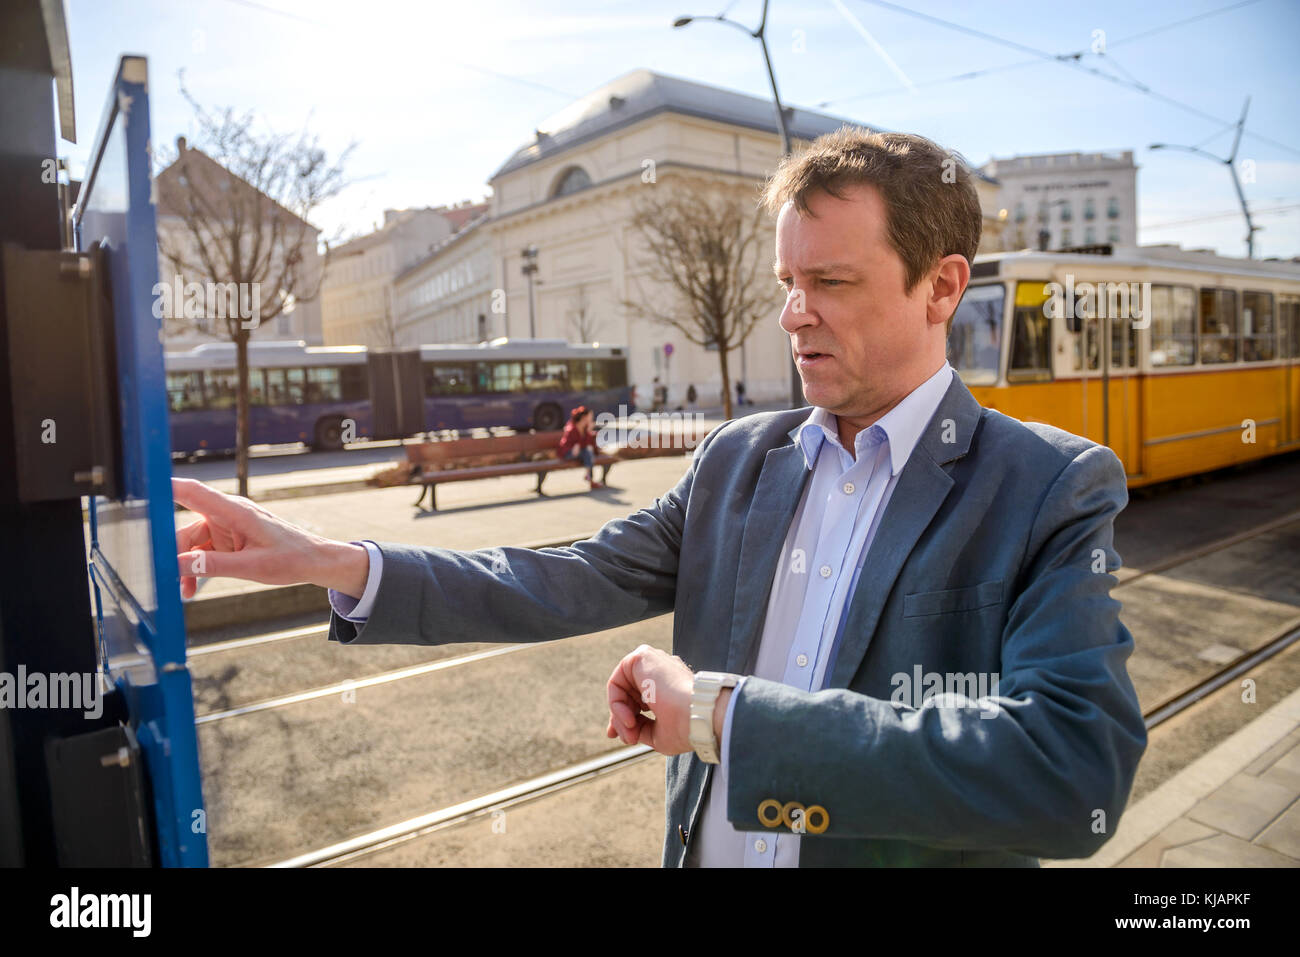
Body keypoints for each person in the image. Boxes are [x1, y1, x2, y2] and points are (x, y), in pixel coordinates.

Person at [171, 127, 1145, 867]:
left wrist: (724, 719)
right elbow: (569, 575)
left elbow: (1072, 770)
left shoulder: (1048, 487)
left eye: (832, 281)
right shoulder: (737, 461)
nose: (793, 312)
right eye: (787, 280)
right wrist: (331, 559)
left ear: (941, 288)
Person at [557, 405, 602, 490]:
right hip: (567, 452)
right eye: (590, 416)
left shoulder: (585, 428)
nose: (591, 418)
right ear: (584, 417)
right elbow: (574, 447)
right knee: (588, 453)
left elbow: (588, 444)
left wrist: (589, 431)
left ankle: (589, 477)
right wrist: (579, 445)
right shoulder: (572, 428)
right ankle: (590, 478)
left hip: (580, 453)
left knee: (588, 452)